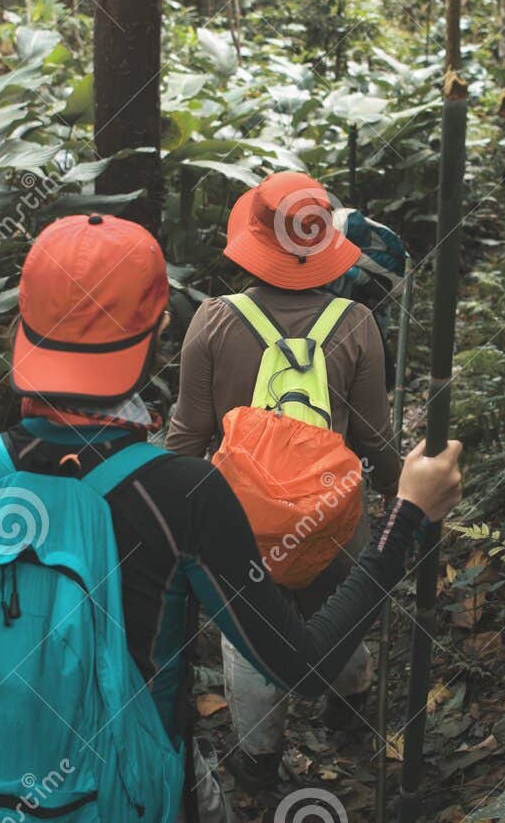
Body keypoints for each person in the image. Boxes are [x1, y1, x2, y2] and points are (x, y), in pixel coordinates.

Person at [0, 212, 463, 823]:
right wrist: (407, 515)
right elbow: (306, 666)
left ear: (21, 327)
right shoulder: (182, 494)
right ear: (158, 337)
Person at [166, 172, 404, 790]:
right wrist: (406, 497)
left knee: (249, 635)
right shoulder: (356, 322)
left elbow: (188, 436)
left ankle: (259, 760)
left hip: (238, 520)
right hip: (333, 514)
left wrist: (168, 519)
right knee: (341, 606)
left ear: (254, 239)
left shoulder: (213, 322)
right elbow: (374, 438)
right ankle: (348, 712)